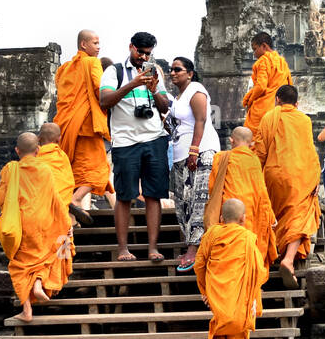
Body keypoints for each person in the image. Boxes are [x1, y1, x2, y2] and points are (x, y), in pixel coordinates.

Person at [99, 32, 172, 263]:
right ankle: (123, 249)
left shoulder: (155, 70)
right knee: (124, 195)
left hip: (154, 138)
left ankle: (152, 248)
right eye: (139, 52)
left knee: (153, 195)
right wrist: (132, 84)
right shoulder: (115, 71)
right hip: (125, 141)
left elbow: (163, 106)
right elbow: (105, 101)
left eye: (148, 53)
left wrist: (153, 89)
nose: (143, 57)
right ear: (131, 47)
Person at [0, 131, 74, 323]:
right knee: (45, 256)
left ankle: (27, 309)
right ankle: (39, 283)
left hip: (22, 223)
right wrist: (66, 223)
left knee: (20, 264)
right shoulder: (46, 169)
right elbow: (56, 199)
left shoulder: (10, 169)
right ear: (38, 149)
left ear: (17, 150)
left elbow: (3, 199)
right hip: (45, 222)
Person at [195, 198, 265, 339]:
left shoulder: (212, 234)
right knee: (238, 333)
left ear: (221, 217)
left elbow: (199, 264)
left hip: (216, 291)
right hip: (239, 291)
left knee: (221, 324)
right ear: (243, 218)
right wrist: (253, 297)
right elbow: (258, 270)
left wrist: (205, 291)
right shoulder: (247, 238)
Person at [254, 84, 321, 287]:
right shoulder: (304, 120)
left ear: (277, 100)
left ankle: (272, 258)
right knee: (301, 214)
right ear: (297, 103)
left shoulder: (269, 117)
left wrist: (255, 175)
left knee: (277, 215)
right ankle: (288, 259)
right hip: (301, 176)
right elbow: (309, 151)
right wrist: (316, 177)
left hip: (275, 175)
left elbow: (261, 150)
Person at [167, 56, 221, 272]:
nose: (173, 73)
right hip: (180, 155)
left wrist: (194, 150)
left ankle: (194, 248)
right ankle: (192, 243)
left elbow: (201, 120)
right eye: (171, 69)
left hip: (201, 151)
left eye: (177, 69)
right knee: (182, 202)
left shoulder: (196, 89)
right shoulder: (178, 97)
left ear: (189, 73)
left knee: (198, 200)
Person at [54, 30, 114, 215]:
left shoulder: (64, 68)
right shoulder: (92, 63)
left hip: (66, 126)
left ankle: (73, 213)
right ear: (83, 45)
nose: (98, 47)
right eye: (95, 43)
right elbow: (100, 91)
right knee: (99, 169)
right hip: (87, 126)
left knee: (75, 171)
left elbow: (63, 95)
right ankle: (77, 199)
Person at [205, 126, 277, 277]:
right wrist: (270, 215)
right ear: (252, 144)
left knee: (231, 250)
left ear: (231, 141)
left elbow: (213, 187)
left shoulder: (221, 158)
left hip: (229, 213)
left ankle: (233, 282)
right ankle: (251, 284)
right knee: (251, 248)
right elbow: (262, 190)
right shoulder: (254, 160)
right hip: (250, 213)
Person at [242, 31, 291, 131]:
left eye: (255, 49)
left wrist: (250, 101)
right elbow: (289, 85)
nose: (254, 53)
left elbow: (261, 86)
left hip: (264, 108)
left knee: (255, 137)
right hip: (281, 107)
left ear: (264, 46)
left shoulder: (263, 61)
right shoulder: (282, 62)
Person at [36, 122, 81, 224]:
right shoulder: (61, 156)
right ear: (59, 139)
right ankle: (72, 220)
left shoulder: (36, 156)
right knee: (64, 194)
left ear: (38, 139)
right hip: (61, 198)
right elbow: (68, 180)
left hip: (42, 202)